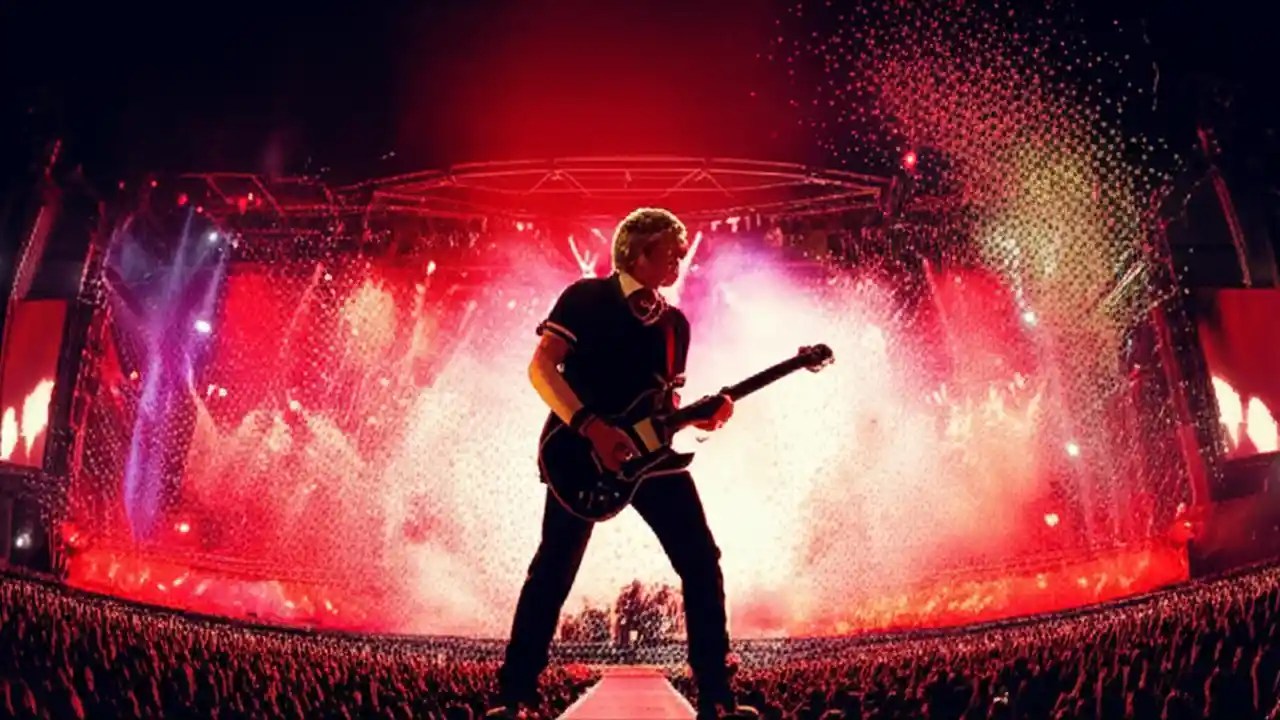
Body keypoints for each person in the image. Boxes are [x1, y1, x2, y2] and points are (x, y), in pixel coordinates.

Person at [486, 208, 754, 720]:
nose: (679, 259)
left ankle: (717, 696)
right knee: (554, 570)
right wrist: (590, 426)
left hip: (650, 460)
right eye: (670, 250)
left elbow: (661, 409)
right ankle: (516, 696)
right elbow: (541, 368)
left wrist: (700, 418)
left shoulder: (676, 325)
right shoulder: (587, 297)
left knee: (701, 559)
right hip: (580, 455)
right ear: (637, 251)